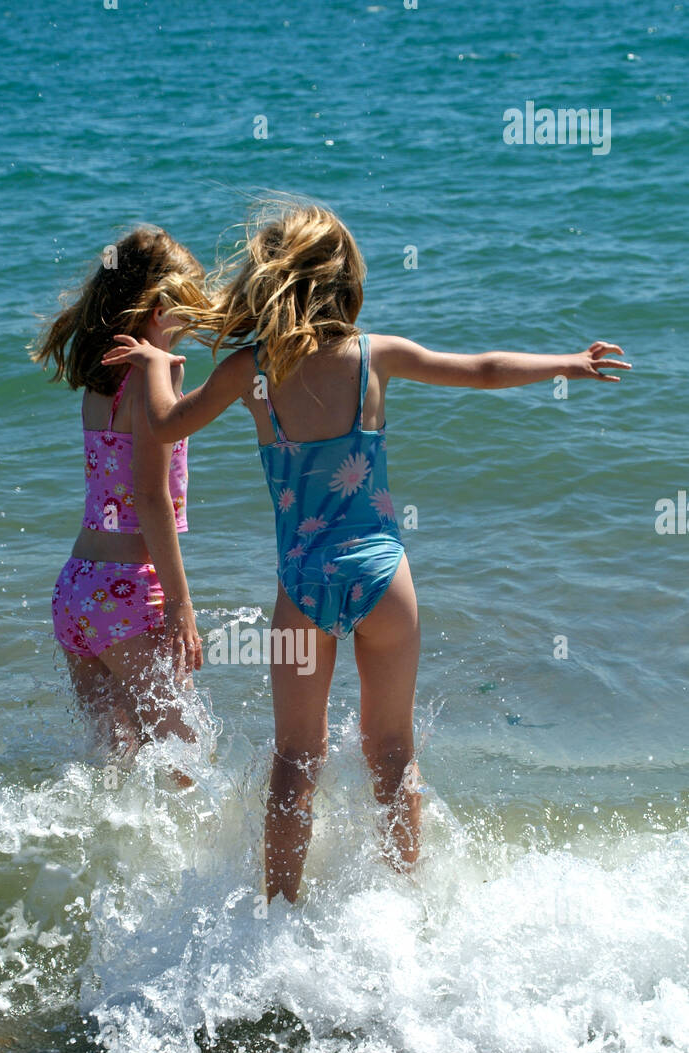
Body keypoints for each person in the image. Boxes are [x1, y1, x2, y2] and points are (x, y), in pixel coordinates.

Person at [102, 199, 631, 899]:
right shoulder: (374, 357)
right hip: (385, 578)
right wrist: (566, 363)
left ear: (272, 281)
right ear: (345, 281)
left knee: (296, 756)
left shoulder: (247, 370)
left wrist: (153, 361)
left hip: (303, 585)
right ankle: (404, 903)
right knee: (392, 752)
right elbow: (480, 368)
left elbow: (166, 424)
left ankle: (280, 911)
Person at [31, 225, 207, 762]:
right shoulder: (156, 385)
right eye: (189, 307)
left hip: (78, 589)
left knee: (116, 765)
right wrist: (180, 604)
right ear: (160, 310)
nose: (194, 322)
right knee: (188, 760)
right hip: (128, 592)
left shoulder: (100, 382)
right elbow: (150, 498)